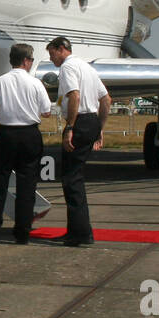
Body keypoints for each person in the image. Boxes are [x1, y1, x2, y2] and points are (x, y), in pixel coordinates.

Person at [45, 36, 111, 246]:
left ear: (61, 49)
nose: (51, 58)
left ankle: (81, 233)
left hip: (80, 122)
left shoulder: (67, 67)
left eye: (51, 53)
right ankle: (76, 229)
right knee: (75, 177)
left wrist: (70, 128)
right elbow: (106, 99)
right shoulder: (87, 67)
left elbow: (74, 95)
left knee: (71, 179)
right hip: (91, 121)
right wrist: (99, 127)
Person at [0, 43, 52, 244]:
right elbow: (46, 111)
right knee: (26, 186)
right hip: (29, 135)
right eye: (31, 59)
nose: (31, 63)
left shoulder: (0, 82)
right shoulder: (35, 83)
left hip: (6, 135)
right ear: (25, 61)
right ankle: (22, 232)